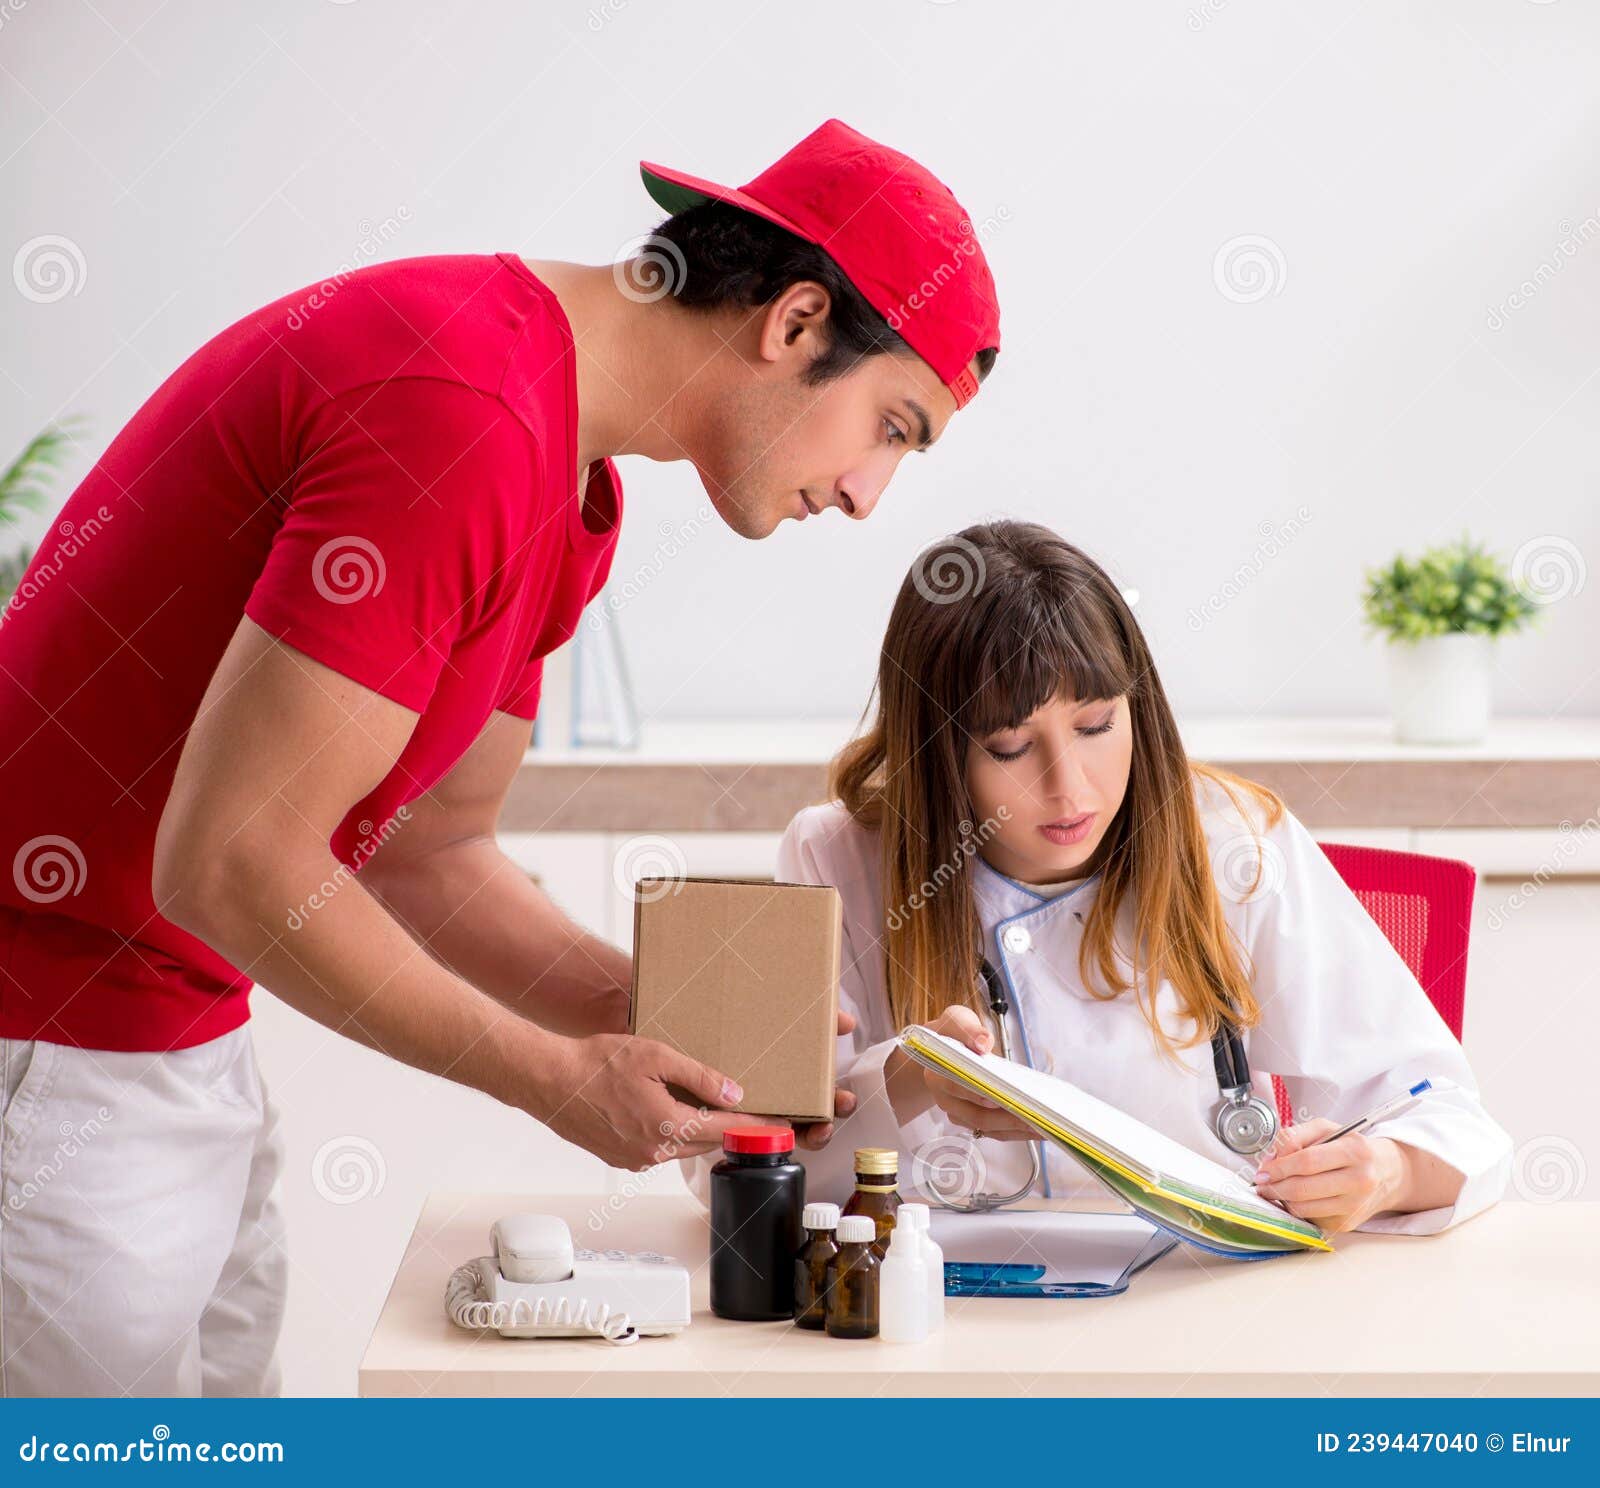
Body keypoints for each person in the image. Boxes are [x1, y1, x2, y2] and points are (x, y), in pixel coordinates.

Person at [0, 119, 1001, 1395]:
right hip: (50, 1045)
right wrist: (554, 1082)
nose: (869, 494)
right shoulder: (460, 408)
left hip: (177, 1037)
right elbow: (232, 860)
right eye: (892, 426)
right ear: (797, 324)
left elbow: (432, 852)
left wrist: (645, 1009)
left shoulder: (571, 490)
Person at [705, 520, 1512, 1237]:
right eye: (1011, 748)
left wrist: (1389, 1172)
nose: (1071, 788)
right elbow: (728, 1178)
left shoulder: (1235, 844)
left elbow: (1452, 1118)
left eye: (1096, 727)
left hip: (1198, 1316)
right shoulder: (836, 860)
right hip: (948, 1330)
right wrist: (905, 1078)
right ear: (936, 751)